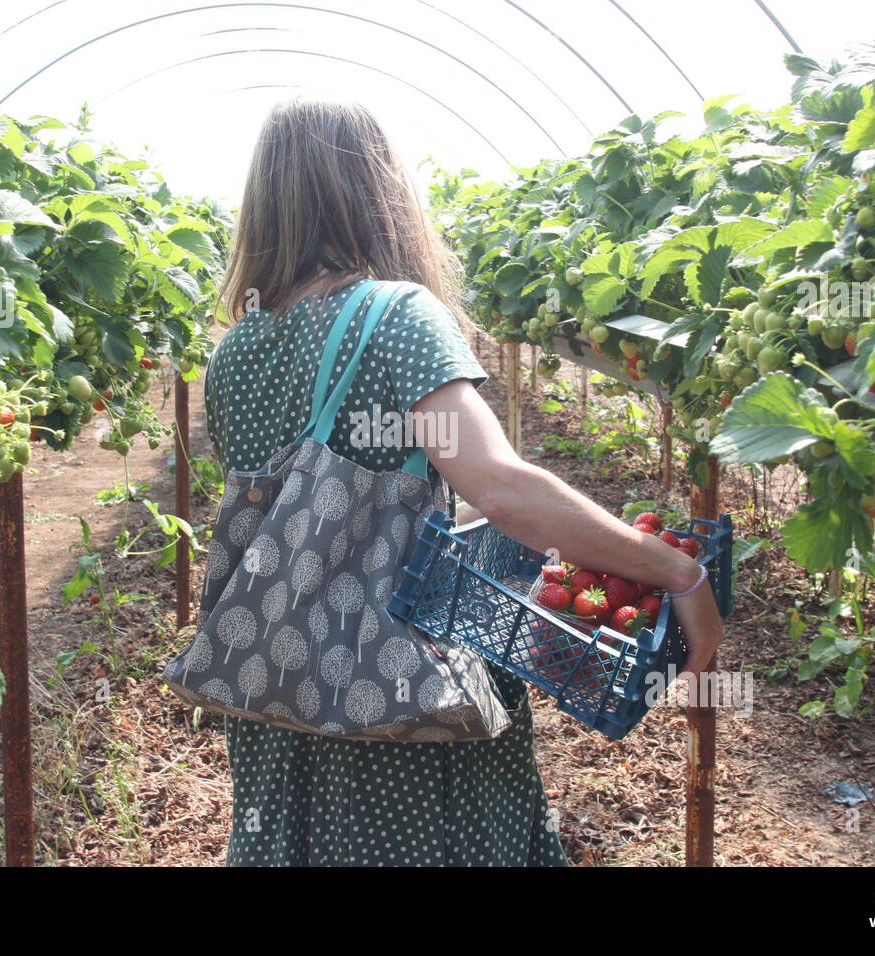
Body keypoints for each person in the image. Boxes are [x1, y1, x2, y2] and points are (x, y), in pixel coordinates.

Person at [203, 97, 725, 866]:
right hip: (390, 690)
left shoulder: (234, 349)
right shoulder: (394, 316)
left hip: (278, 684)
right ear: (378, 194)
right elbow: (498, 487)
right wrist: (673, 570)